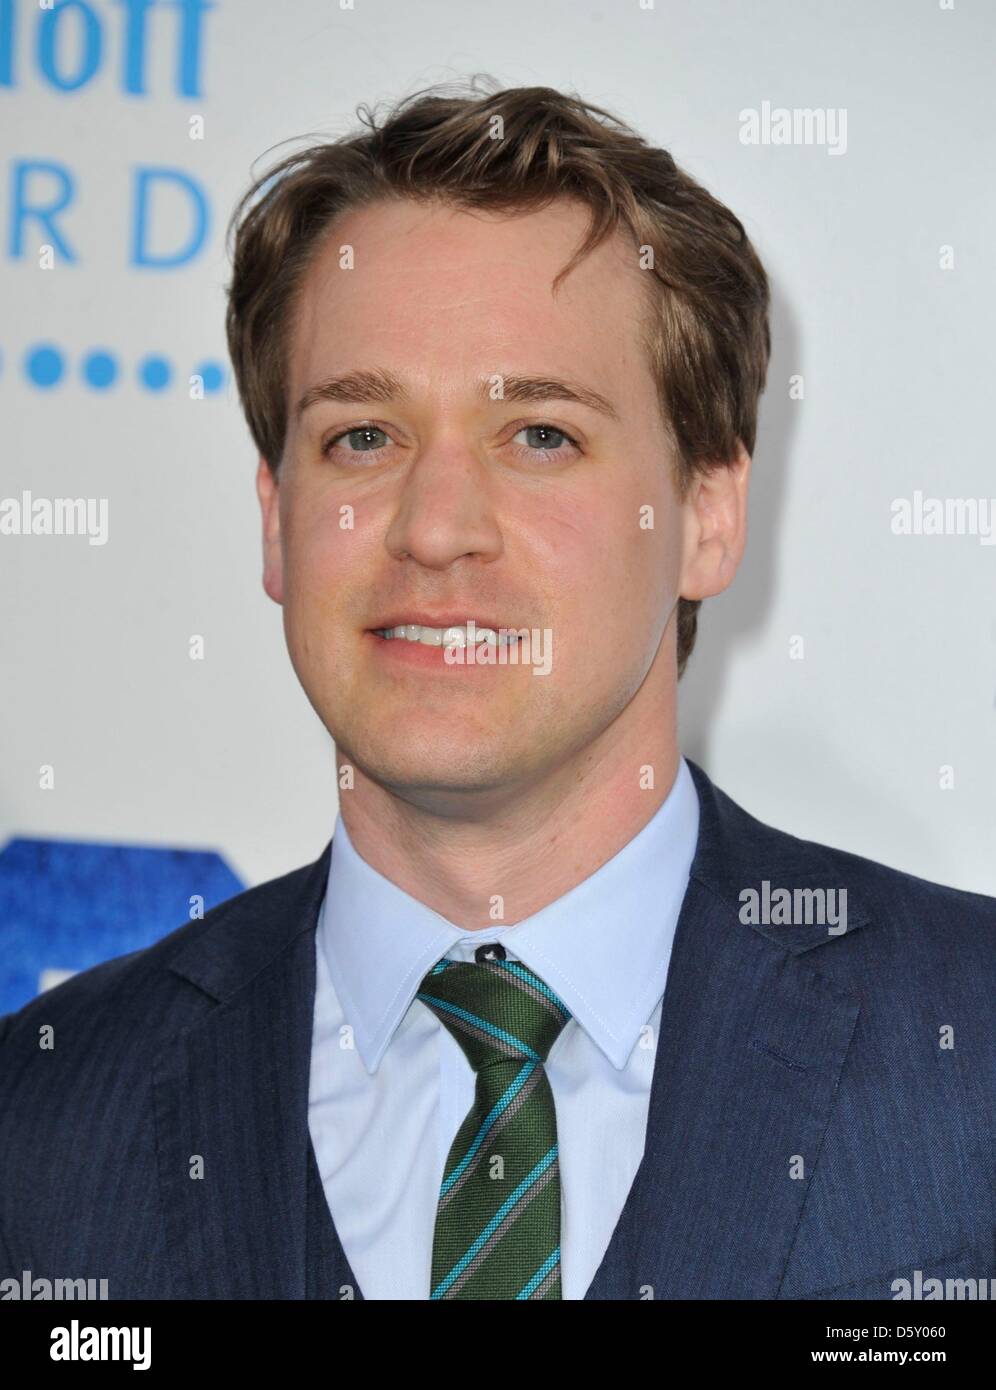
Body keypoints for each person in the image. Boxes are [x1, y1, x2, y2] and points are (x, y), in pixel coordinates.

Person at [1, 80, 993, 1302]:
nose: (435, 528)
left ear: (708, 517)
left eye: (540, 436)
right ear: (276, 521)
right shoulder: (37, 1121)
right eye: (363, 434)